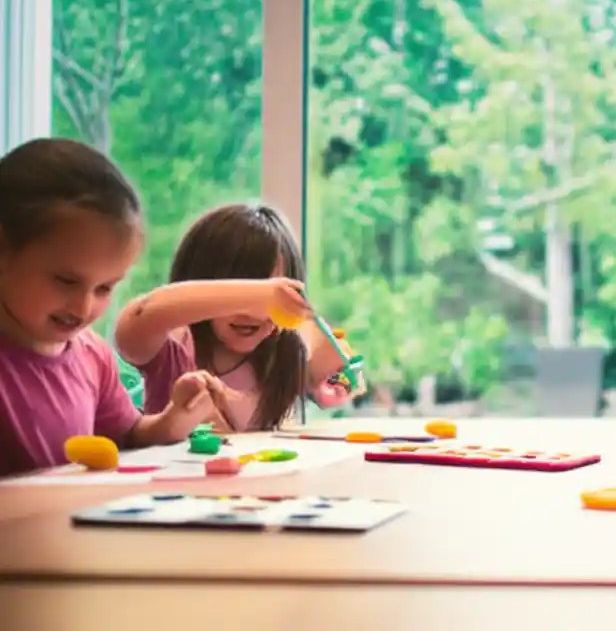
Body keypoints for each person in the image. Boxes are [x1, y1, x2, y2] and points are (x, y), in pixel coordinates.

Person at [0, 138, 218, 475]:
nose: (83, 306)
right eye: (65, 280)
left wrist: (175, 419)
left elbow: (127, 435)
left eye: (104, 288)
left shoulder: (92, 355)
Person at [115, 203, 354, 432]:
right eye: (239, 293)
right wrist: (262, 295)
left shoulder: (282, 353)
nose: (250, 311)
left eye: (271, 294)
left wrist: (335, 372)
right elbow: (141, 317)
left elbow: (349, 380)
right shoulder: (174, 347)